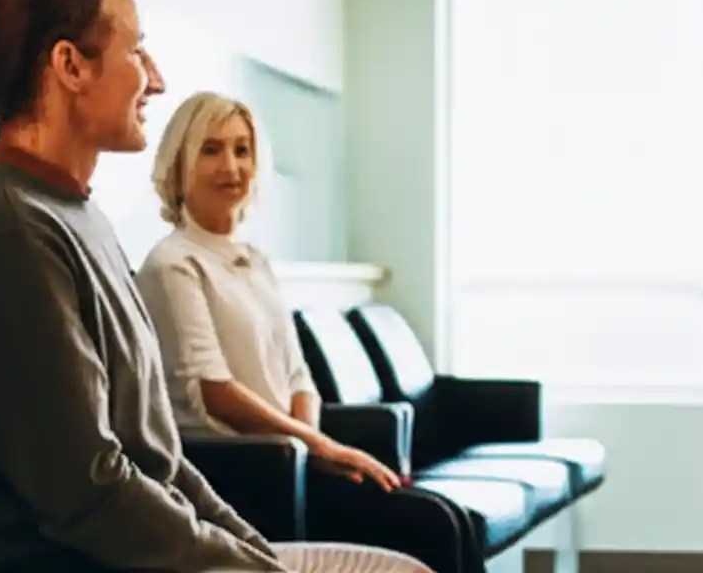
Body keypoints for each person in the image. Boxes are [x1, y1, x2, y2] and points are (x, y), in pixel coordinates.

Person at [0, 0, 431, 573]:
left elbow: (162, 460)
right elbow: (91, 495)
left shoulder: (73, 214)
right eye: (135, 49)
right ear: (70, 64)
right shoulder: (6, 236)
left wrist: (255, 553)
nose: (155, 78)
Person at [135, 92, 482, 573]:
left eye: (242, 149)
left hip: (289, 460)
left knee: (451, 516)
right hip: (239, 472)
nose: (231, 166)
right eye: (211, 150)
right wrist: (320, 447)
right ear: (179, 164)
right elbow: (213, 392)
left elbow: (299, 377)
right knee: (432, 525)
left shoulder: (255, 260)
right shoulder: (173, 263)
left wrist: (312, 449)